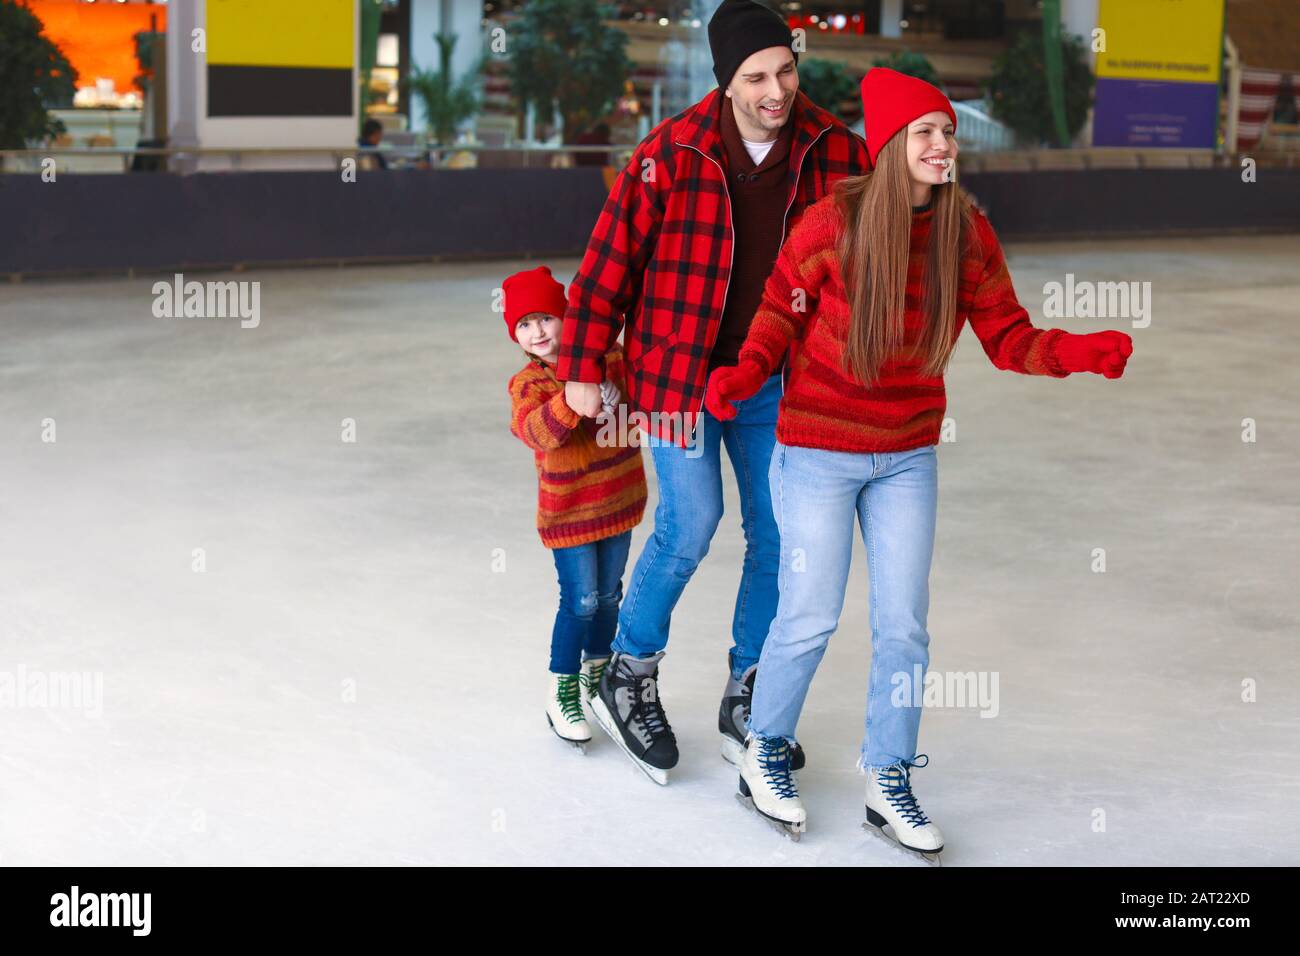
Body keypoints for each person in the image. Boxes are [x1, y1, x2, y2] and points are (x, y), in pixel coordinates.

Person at [705, 68, 1133, 854]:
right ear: (892, 144)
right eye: (928, 133)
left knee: (905, 627)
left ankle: (889, 773)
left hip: (905, 455)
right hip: (817, 451)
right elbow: (778, 308)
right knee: (808, 616)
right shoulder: (832, 222)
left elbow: (1010, 339)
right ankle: (763, 749)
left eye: (949, 132)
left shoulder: (966, 232)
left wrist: (1075, 351)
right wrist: (746, 369)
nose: (944, 146)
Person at [555, 0, 869, 784]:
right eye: (756, 76)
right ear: (726, 81)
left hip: (777, 381)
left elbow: (876, 256)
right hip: (679, 377)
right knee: (690, 525)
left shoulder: (837, 151)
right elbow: (604, 270)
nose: (776, 90)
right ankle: (629, 672)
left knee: (777, 536)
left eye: (786, 70)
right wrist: (582, 366)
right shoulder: (671, 154)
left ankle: (746, 689)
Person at [504, 266, 648, 752]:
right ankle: (562, 686)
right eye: (524, 325)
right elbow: (537, 432)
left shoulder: (610, 358)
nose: (537, 331)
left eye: (545, 318)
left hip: (618, 501)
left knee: (609, 595)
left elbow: (632, 423)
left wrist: (615, 399)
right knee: (580, 599)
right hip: (568, 515)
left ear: (568, 317)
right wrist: (574, 399)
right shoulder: (528, 383)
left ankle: (597, 674)